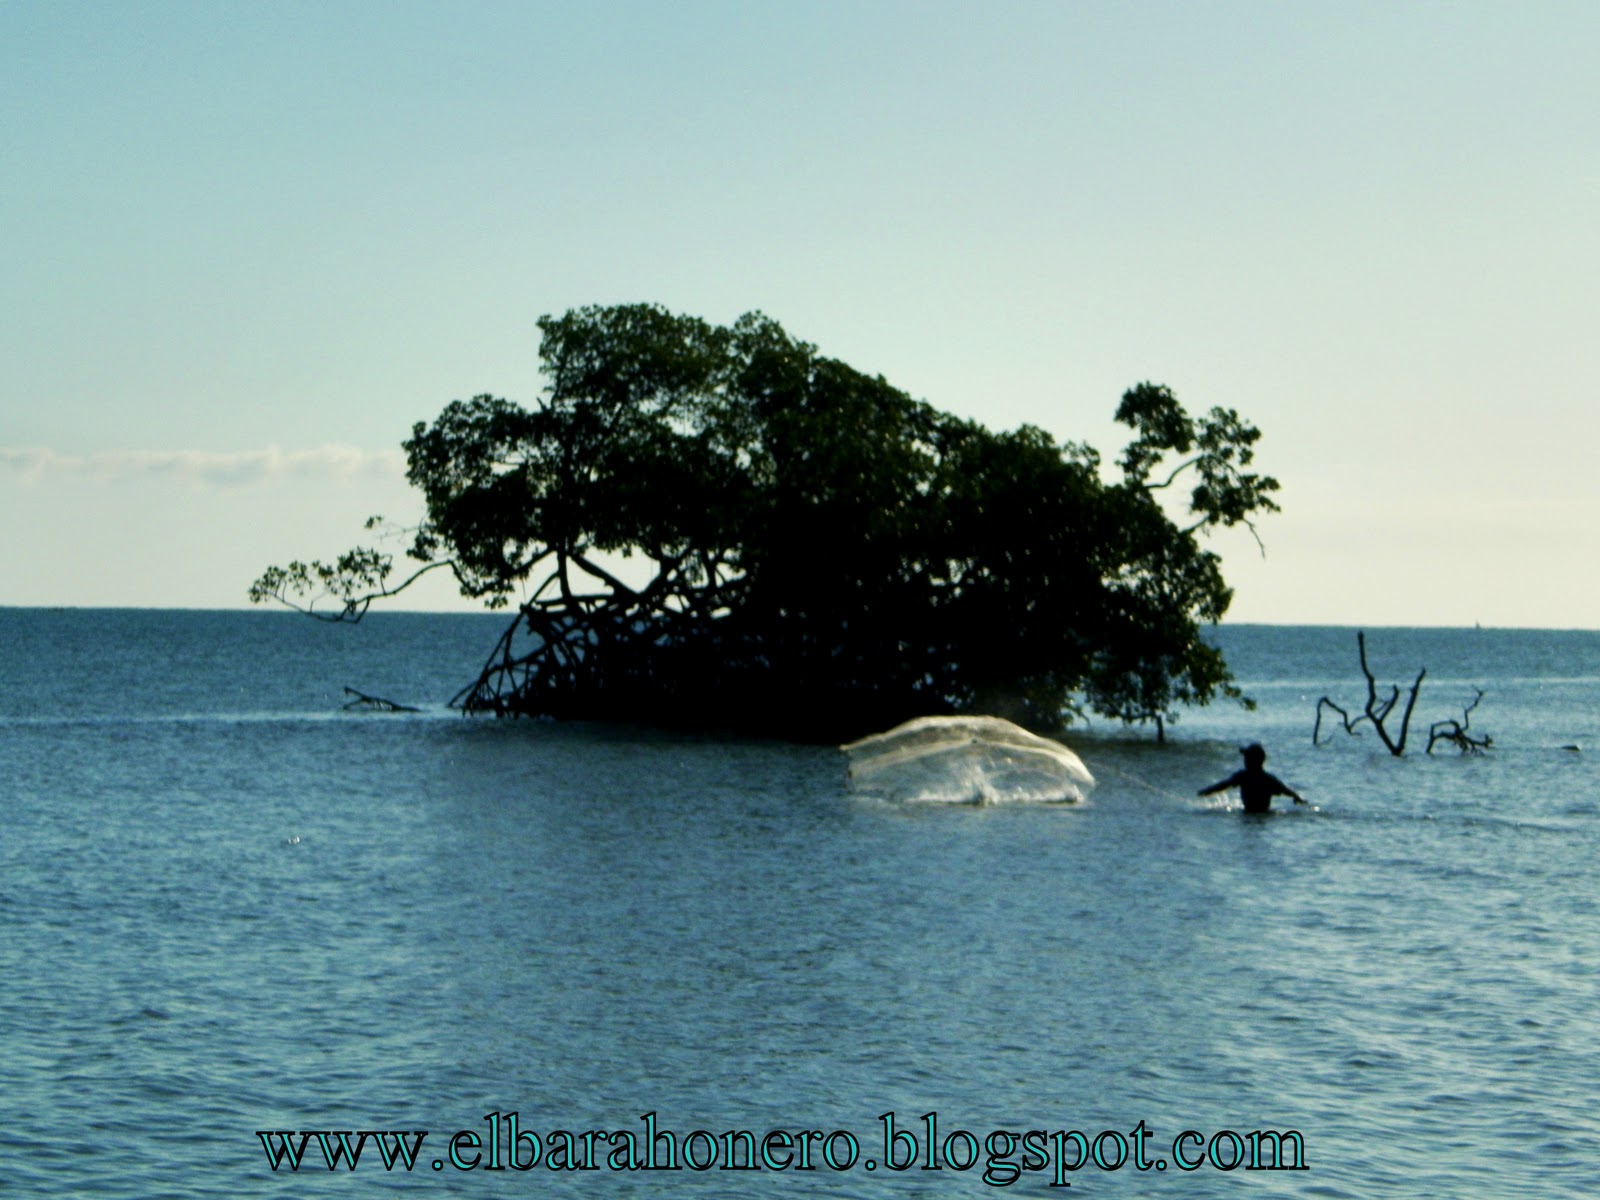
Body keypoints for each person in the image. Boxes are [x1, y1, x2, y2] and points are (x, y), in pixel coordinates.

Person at [1198, 743, 1305, 814]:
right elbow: (1285, 790)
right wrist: (1297, 797)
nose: (1244, 760)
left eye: (1247, 757)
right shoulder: (1268, 779)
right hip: (1265, 813)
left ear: (1253, 760)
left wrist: (1207, 791)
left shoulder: (1244, 776)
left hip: (1248, 812)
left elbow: (1224, 785)